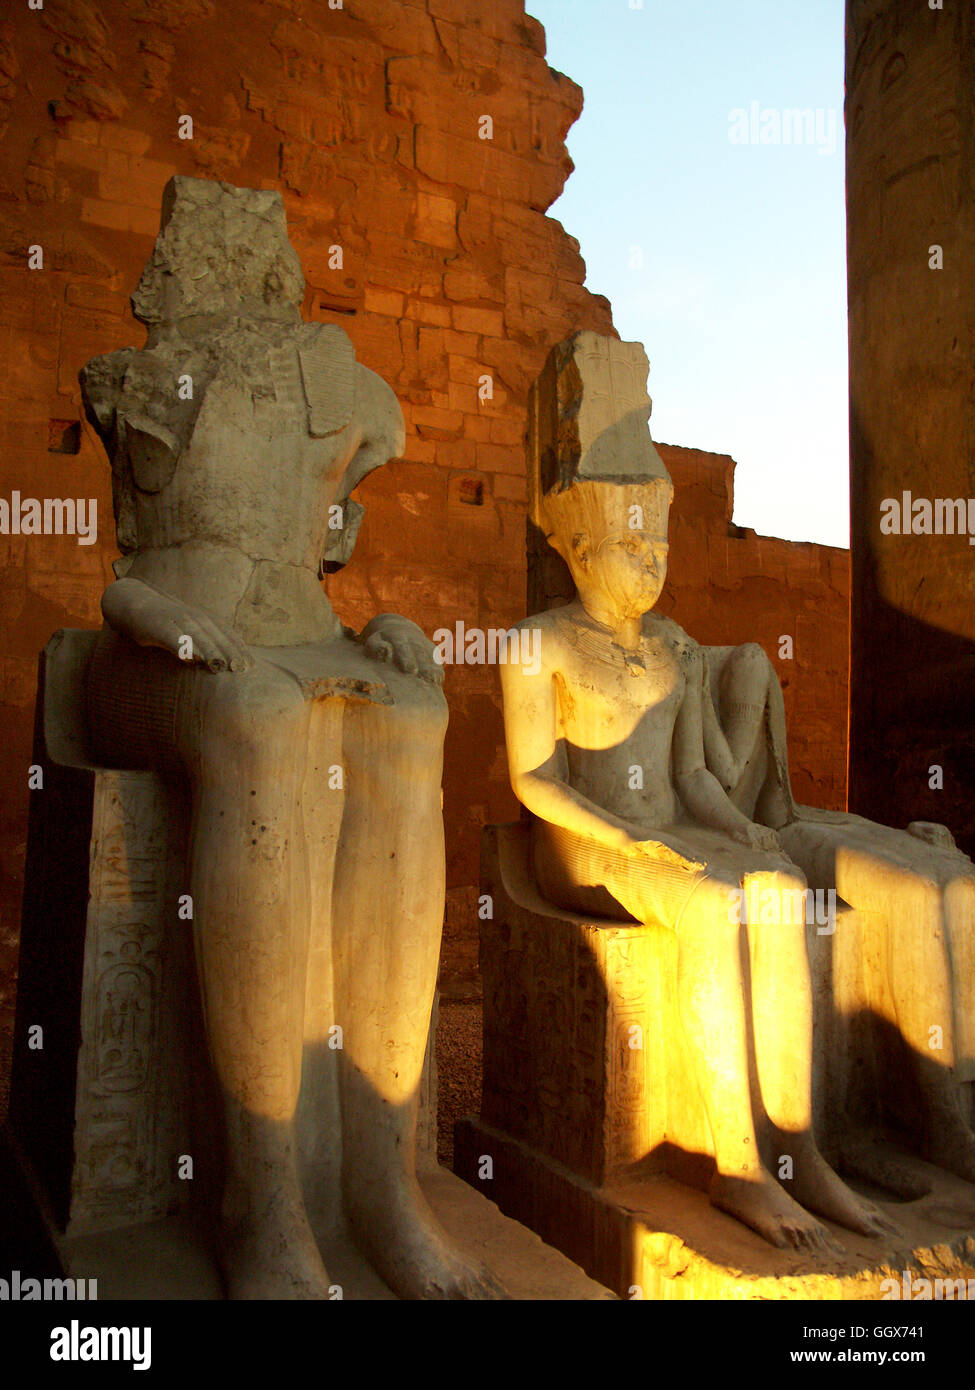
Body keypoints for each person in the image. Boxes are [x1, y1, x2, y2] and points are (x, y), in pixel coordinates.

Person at [80, 175, 501, 1299]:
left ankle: (382, 1183)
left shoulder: (333, 381)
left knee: (411, 718)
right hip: (155, 652)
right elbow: (127, 581)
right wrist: (154, 616)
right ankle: (261, 1201)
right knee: (263, 721)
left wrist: (386, 626)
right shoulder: (138, 377)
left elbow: (325, 568)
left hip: (301, 638)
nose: (234, 254)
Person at [500, 471, 891, 1250]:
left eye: (657, 545)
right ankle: (738, 1165)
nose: (648, 561)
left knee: (778, 889)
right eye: (628, 544)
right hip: (582, 846)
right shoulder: (536, 641)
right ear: (580, 554)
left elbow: (691, 778)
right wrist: (624, 840)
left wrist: (738, 831)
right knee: (714, 909)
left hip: (670, 833)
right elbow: (532, 779)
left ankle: (796, 1145)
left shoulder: (670, 645)